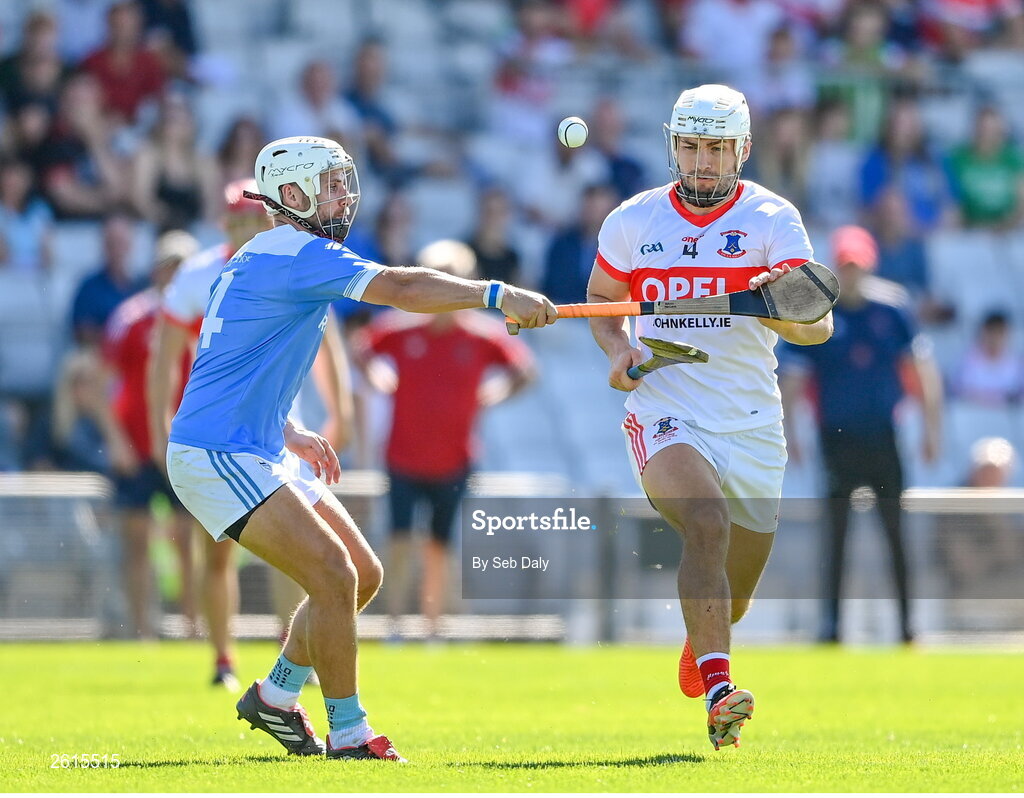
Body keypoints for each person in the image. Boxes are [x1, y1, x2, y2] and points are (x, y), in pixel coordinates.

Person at [165, 135, 555, 761]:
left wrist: (286, 430)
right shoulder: (296, 252)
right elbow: (401, 288)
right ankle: (348, 732)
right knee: (333, 573)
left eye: (347, 182)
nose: (346, 196)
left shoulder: (266, 254)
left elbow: (230, 364)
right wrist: (494, 295)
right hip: (218, 453)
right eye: (332, 184)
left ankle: (276, 695)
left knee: (362, 575)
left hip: (256, 443)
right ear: (291, 196)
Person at [586, 85, 833, 750]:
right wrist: (618, 352)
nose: (701, 161)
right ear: (673, 146)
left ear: (742, 150)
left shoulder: (772, 219)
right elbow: (603, 299)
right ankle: (723, 690)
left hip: (752, 420)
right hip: (666, 409)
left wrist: (759, 304)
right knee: (705, 521)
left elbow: (817, 325)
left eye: (716, 148)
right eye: (690, 146)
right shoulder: (633, 221)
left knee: (738, 591)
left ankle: (706, 641)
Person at [148, 179, 354, 686]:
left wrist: (340, 410)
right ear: (224, 223)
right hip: (222, 434)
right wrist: (160, 426)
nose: (245, 228)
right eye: (236, 221)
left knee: (310, 560)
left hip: (280, 427)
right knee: (219, 553)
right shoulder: (201, 273)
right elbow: (166, 355)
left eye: (253, 220)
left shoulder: (294, 260)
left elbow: (327, 344)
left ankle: (292, 667)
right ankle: (224, 659)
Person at [354, 240, 535, 640]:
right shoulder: (400, 332)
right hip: (403, 455)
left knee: (440, 544)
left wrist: (496, 394)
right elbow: (362, 351)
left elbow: (524, 370)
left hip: (454, 458)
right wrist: (379, 379)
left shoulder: (480, 338)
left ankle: (432, 625)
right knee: (400, 540)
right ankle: (396, 623)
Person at [779, 225, 943, 645]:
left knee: (895, 533)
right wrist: (790, 435)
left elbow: (919, 371)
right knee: (835, 537)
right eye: (845, 266)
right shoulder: (817, 311)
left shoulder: (892, 309)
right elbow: (793, 379)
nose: (851, 274)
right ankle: (832, 627)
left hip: (882, 437)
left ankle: (908, 627)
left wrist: (930, 430)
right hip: (835, 440)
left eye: (857, 266)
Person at [102, 230, 201, 639]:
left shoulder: (204, 317)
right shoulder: (132, 318)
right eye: (171, 266)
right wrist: (112, 439)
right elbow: (103, 384)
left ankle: (196, 626)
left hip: (185, 444)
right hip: (137, 445)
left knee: (190, 540)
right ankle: (142, 628)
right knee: (137, 540)